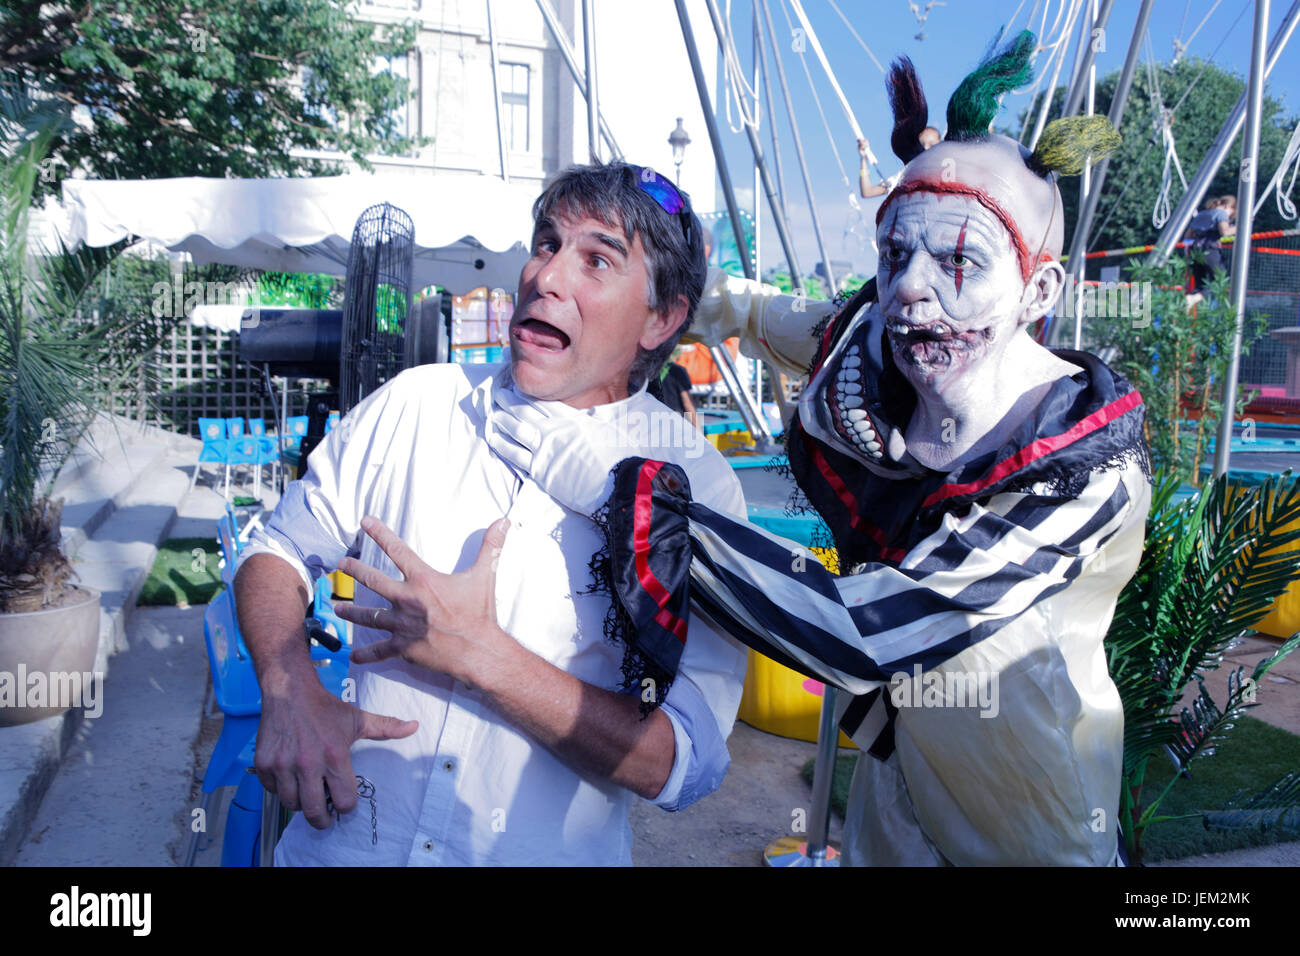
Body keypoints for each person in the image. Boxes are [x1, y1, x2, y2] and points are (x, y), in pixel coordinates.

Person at [494, 37, 1151, 866]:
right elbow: (763, 314)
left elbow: (870, 631)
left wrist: (638, 503)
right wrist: (648, 291)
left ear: (1040, 290)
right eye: (897, 254)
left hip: (1033, 808)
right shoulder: (884, 342)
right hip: (896, 780)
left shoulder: (1085, 468)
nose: (914, 286)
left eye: (959, 261)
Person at [234, 161, 748, 866]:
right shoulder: (417, 404)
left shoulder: (698, 488)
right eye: (546, 243)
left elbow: (683, 761)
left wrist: (487, 659)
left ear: (661, 318)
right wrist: (287, 686)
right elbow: (277, 551)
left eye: (596, 258)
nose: (547, 277)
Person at [860, 57, 941, 199]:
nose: (926, 149)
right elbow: (867, 192)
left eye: (932, 145)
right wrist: (863, 159)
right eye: (923, 144)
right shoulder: (903, 177)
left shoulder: (949, 172)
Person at [1183, 194, 1236, 301]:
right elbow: (1225, 232)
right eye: (1231, 213)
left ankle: (1190, 300)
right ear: (1227, 207)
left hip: (1195, 250)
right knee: (1220, 281)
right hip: (1209, 249)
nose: (1229, 217)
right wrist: (1241, 227)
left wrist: (1187, 257)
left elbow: (1187, 236)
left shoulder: (1201, 214)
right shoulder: (1221, 213)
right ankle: (1194, 298)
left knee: (1200, 286)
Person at [647, 348, 700, 429]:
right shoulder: (678, 371)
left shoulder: (648, 371)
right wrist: (698, 430)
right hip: (675, 422)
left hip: (654, 422)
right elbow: (688, 403)